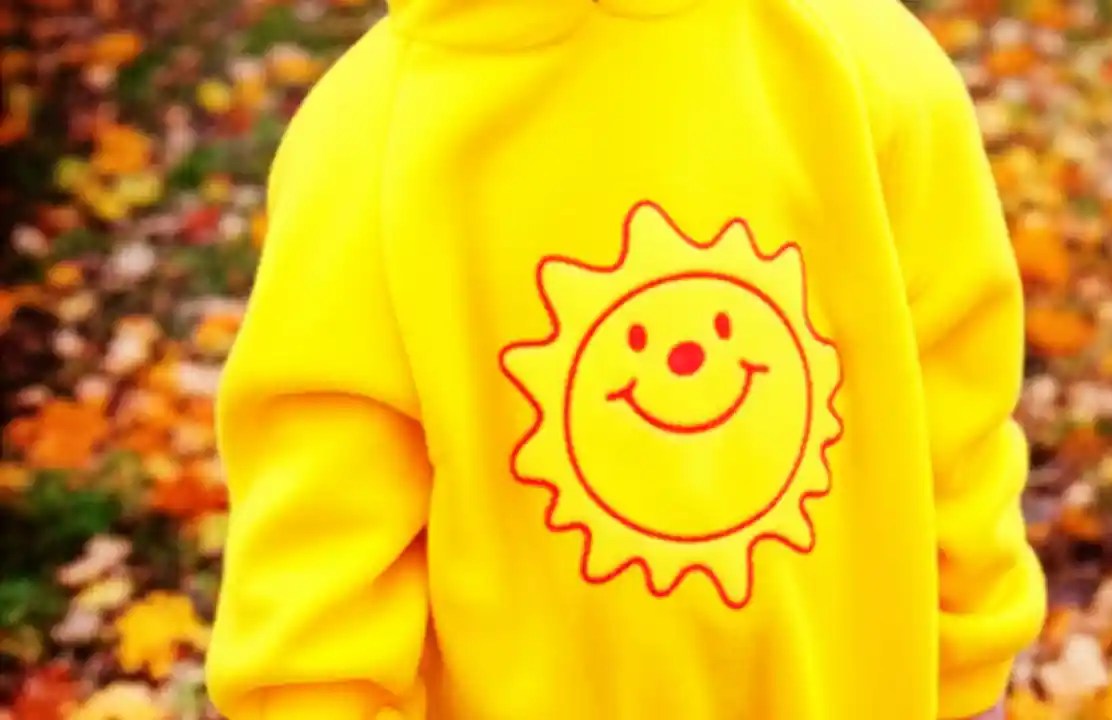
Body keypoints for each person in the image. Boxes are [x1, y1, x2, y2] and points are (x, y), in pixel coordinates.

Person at [205, 0, 1047, 717]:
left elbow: (959, 421)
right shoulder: (368, 147)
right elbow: (317, 565)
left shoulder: (866, 70)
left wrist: (973, 669)